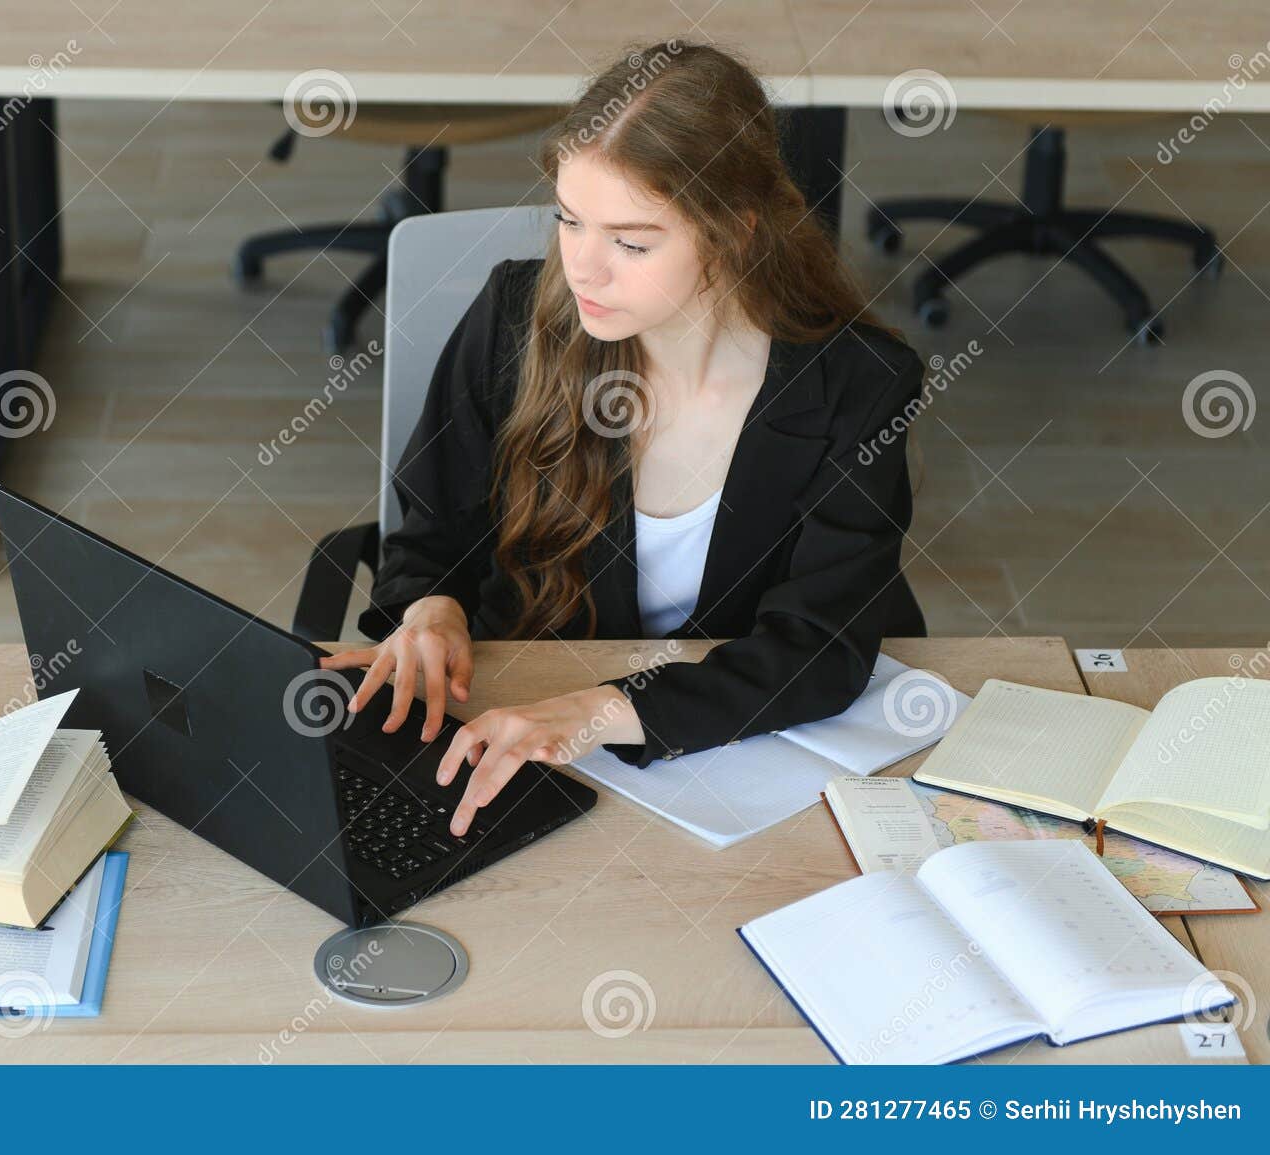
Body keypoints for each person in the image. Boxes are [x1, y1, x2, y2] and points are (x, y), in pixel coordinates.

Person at [319, 39, 927, 838]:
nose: (583, 269)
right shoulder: (511, 316)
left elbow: (817, 650)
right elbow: (433, 536)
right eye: (570, 220)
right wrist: (432, 608)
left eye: (631, 242)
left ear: (735, 233)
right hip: (517, 727)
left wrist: (598, 709)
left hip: (720, 757)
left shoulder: (858, 385)